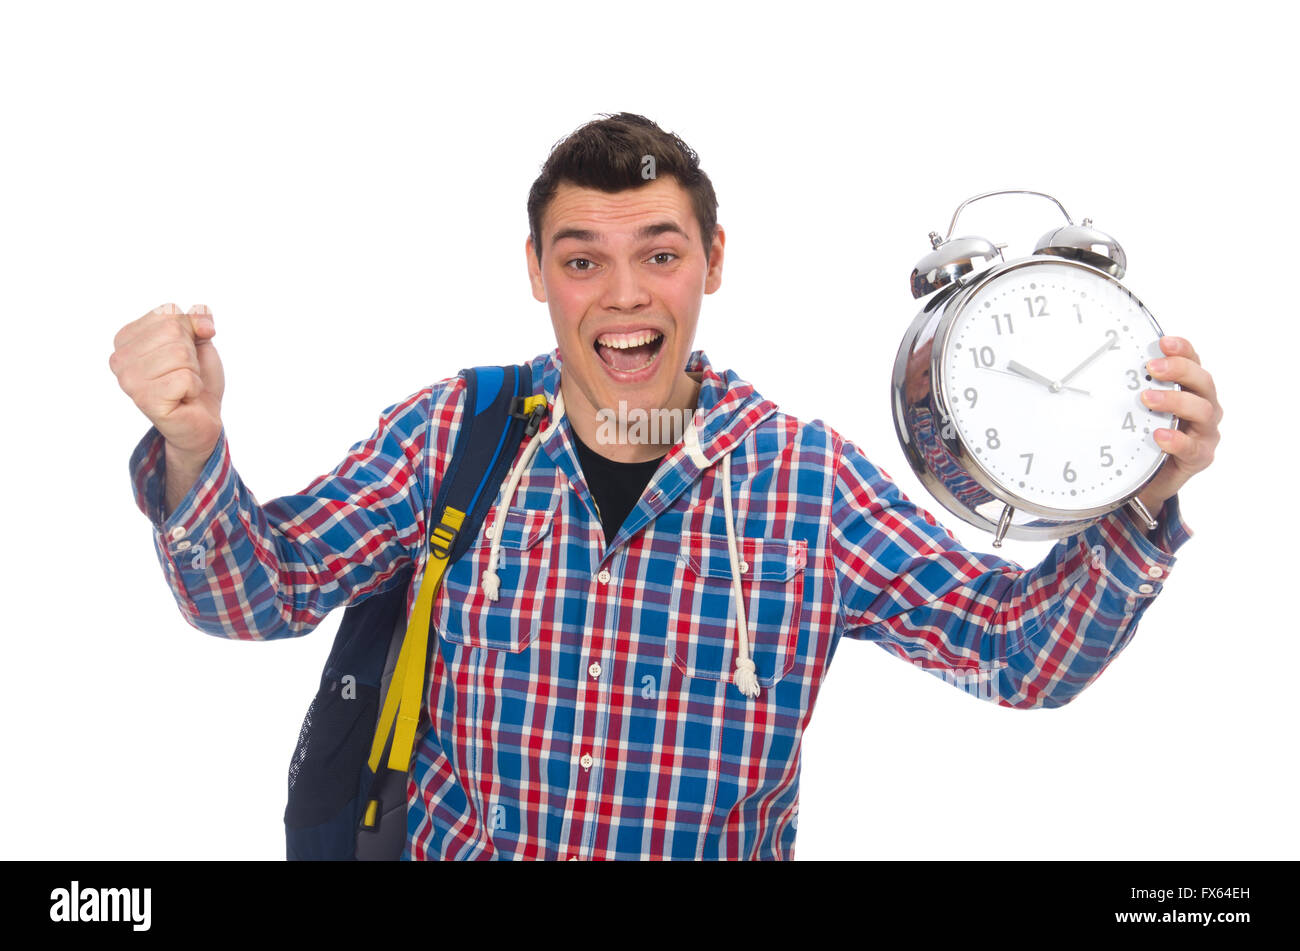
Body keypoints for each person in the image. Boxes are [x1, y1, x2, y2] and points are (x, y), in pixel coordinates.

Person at [109, 113, 1223, 860]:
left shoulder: (806, 484)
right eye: (581, 259)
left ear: (713, 260)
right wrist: (195, 450)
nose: (624, 295)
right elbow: (259, 592)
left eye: (660, 252)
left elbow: (1016, 652)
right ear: (537, 271)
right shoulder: (456, 432)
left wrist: (1142, 496)